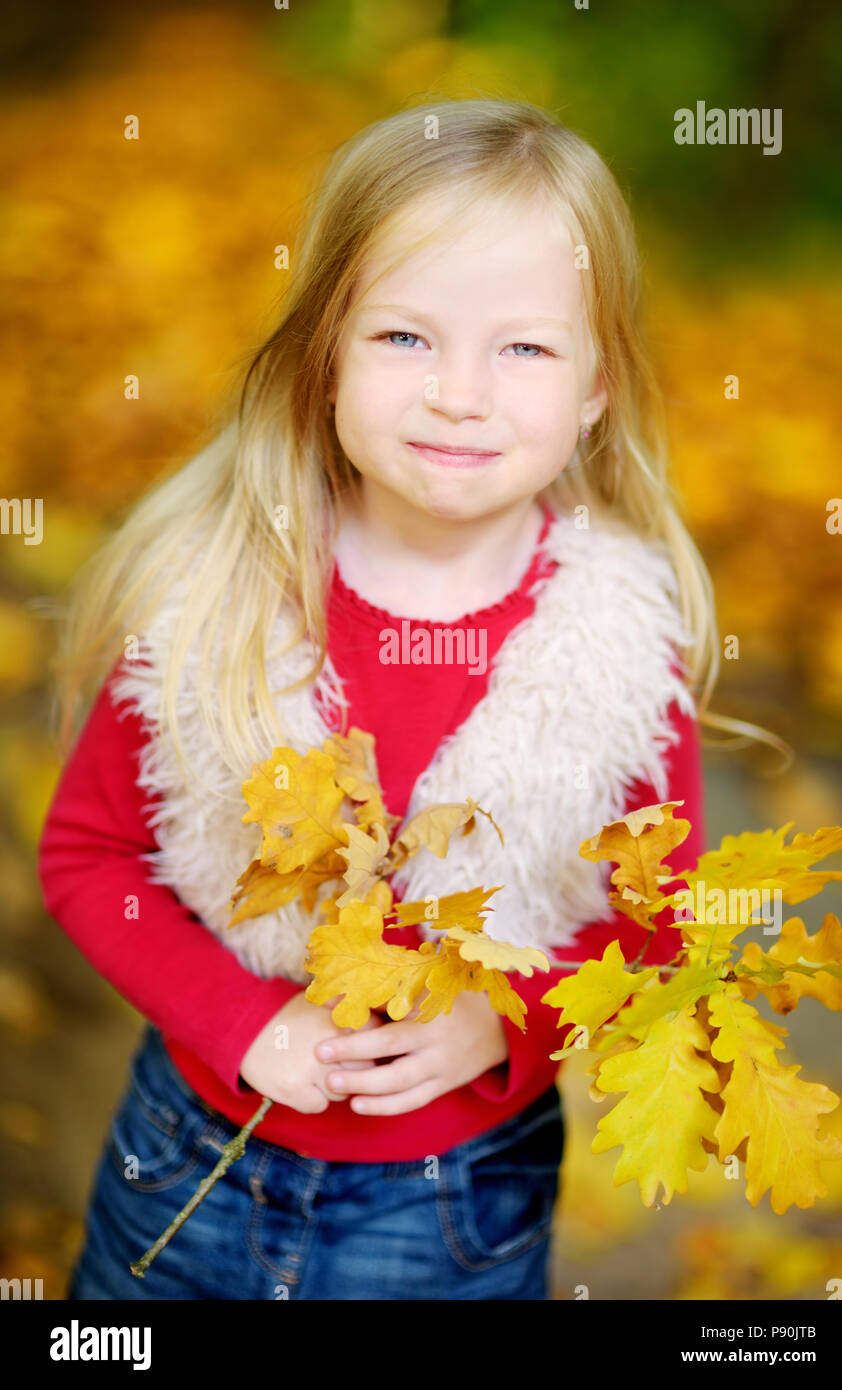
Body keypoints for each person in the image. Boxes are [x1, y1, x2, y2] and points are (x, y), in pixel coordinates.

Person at [37, 97, 753, 1301]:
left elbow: (652, 922)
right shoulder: (212, 596)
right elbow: (87, 854)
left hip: (455, 1196)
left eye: (522, 348)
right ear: (323, 355)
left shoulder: (619, 646)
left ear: (595, 387)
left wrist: (503, 1025)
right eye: (404, 338)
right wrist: (243, 1021)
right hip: (190, 1157)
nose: (458, 395)